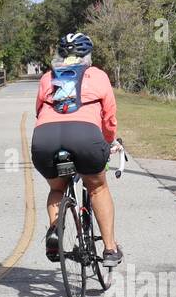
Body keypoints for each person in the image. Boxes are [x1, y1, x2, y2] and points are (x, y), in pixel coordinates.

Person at [31, 31, 122, 265]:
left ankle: (54, 232)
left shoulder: (47, 78)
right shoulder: (97, 75)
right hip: (85, 137)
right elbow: (109, 118)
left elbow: (39, 112)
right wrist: (109, 140)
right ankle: (110, 250)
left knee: (57, 188)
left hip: (45, 138)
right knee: (97, 187)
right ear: (88, 56)